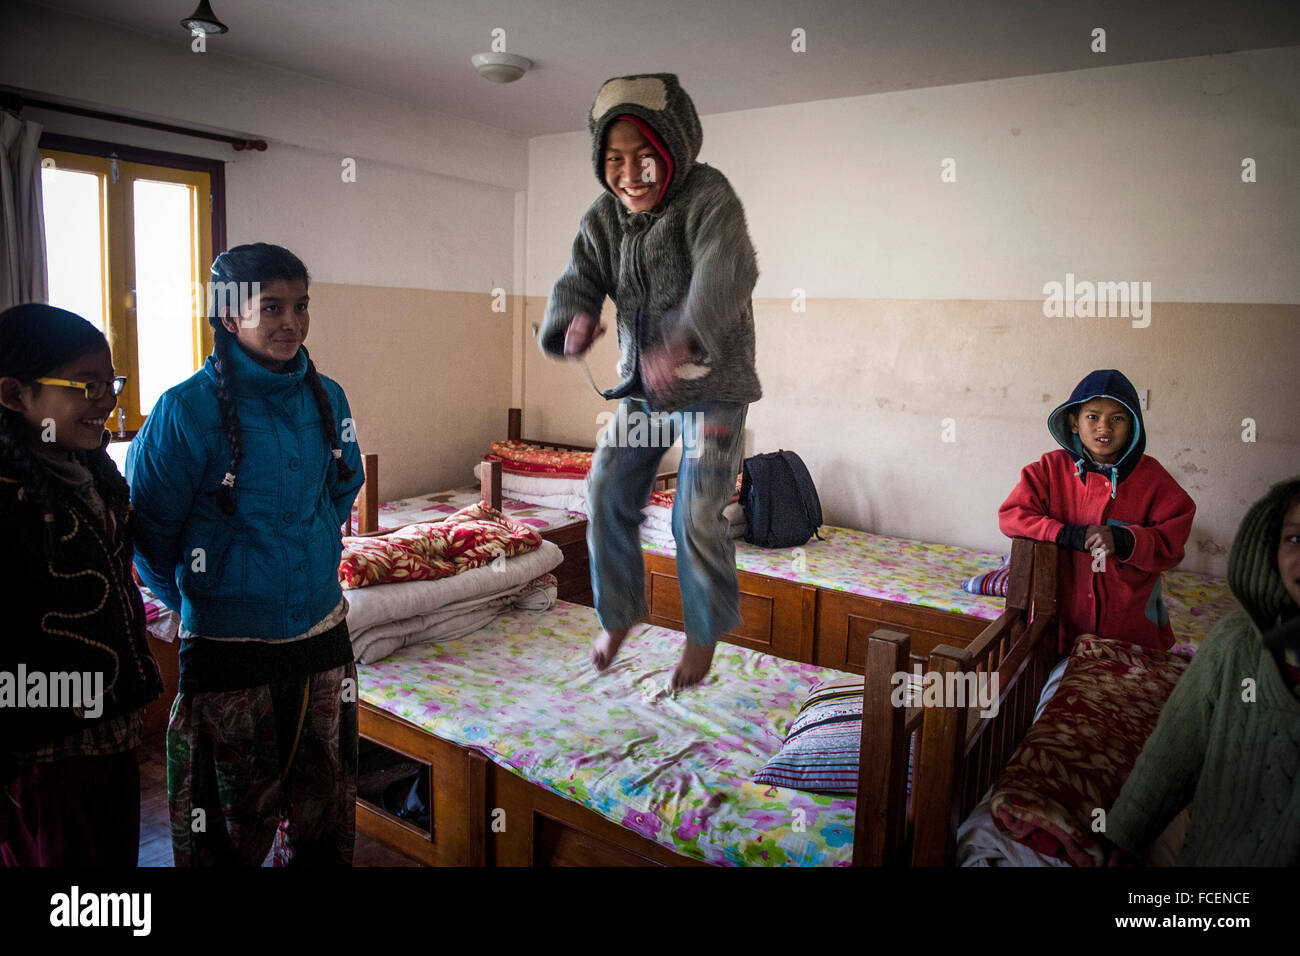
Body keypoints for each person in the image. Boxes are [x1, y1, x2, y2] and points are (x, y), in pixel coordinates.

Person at [127, 243, 364, 866]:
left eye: (301, 305)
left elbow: (342, 485)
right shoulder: (185, 410)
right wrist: (195, 605)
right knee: (226, 826)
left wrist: (306, 547)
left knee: (321, 810)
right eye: (273, 307)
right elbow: (151, 534)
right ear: (230, 317)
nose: (292, 321)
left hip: (320, 632)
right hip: (227, 650)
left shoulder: (329, 396)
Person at [538, 73, 761, 689]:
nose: (630, 173)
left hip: (713, 386)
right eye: (615, 160)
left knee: (696, 512)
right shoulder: (603, 218)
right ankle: (619, 612)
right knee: (606, 487)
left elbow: (729, 269)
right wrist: (574, 320)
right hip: (643, 389)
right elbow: (577, 279)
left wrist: (686, 336)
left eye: (645, 157)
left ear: (672, 150)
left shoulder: (708, 195)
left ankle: (704, 631)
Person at [0, 303, 162, 866]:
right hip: (44, 752)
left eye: (110, 383)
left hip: (110, 733)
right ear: (15, 395)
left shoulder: (91, 469)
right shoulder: (8, 496)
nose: (108, 402)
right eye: (85, 386)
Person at [1105, 477, 1300, 865]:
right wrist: (1122, 840)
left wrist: (1129, 542)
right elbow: (1172, 753)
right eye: (1295, 540)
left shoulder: (1151, 475)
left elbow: (1171, 533)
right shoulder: (1235, 646)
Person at [999, 369, 1195, 654]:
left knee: (1126, 694)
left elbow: (1172, 539)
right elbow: (1012, 515)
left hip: (1131, 626)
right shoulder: (1049, 469)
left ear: (1133, 426)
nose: (1104, 427)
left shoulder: (1152, 477)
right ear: (1074, 423)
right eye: (1092, 416)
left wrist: (1126, 540)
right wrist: (1066, 533)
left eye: (1118, 418)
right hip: (1063, 622)